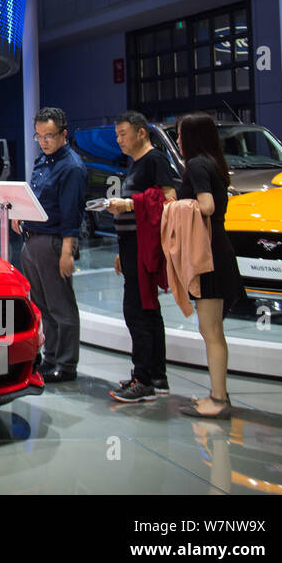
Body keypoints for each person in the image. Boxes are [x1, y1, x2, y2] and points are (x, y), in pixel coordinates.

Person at [174, 112, 244, 419]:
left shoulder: (197, 164)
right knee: (211, 329)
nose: (177, 141)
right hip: (217, 249)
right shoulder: (212, 162)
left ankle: (218, 399)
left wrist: (174, 207)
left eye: (179, 135)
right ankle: (218, 395)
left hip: (209, 254)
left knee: (211, 330)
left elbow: (206, 206)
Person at [104, 111, 177, 402]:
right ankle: (156, 376)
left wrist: (129, 203)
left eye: (123, 133)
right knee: (147, 310)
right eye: (118, 134)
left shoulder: (155, 160)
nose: (119, 139)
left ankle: (143, 380)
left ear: (141, 133)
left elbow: (169, 199)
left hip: (144, 247)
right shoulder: (137, 164)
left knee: (137, 311)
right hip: (132, 246)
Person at [13, 106, 85, 383]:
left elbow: (71, 215)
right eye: (39, 136)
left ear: (64, 134)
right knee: (42, 304)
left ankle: (66, 364)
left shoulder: (72, 167)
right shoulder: (43, 162)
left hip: (55, 242)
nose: (43, 141)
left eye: (50, 136)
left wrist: (68, 251)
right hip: (33, 241)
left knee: (60, 305)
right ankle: (51, 356)